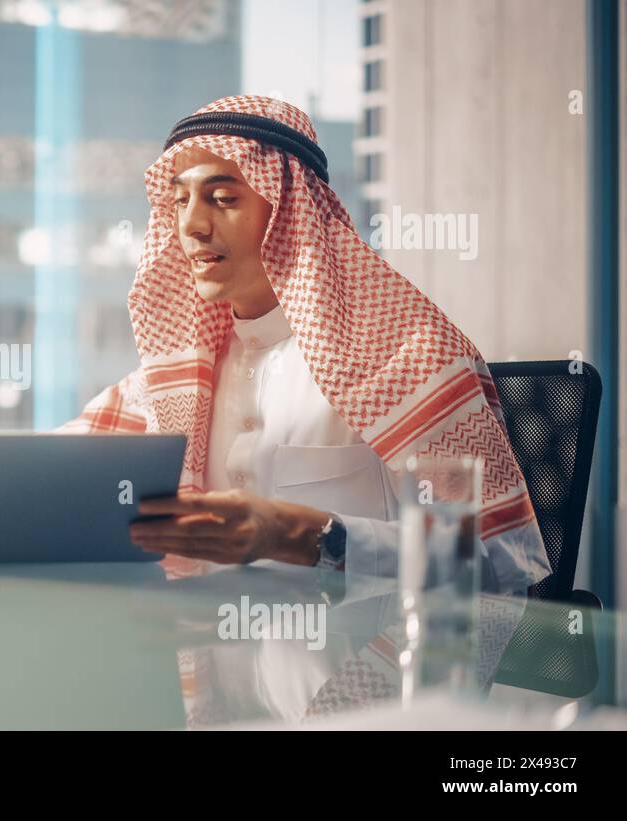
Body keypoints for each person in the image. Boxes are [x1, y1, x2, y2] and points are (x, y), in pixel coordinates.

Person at [64, 95, 550, 595]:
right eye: (179, 201)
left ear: (290, 211)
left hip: (366, 660)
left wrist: (301, 537)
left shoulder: (407, 358)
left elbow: (493, 564)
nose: (191, 225)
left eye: (224, 199)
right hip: (202, 655)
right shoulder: (173, 382)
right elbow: (48, 476)